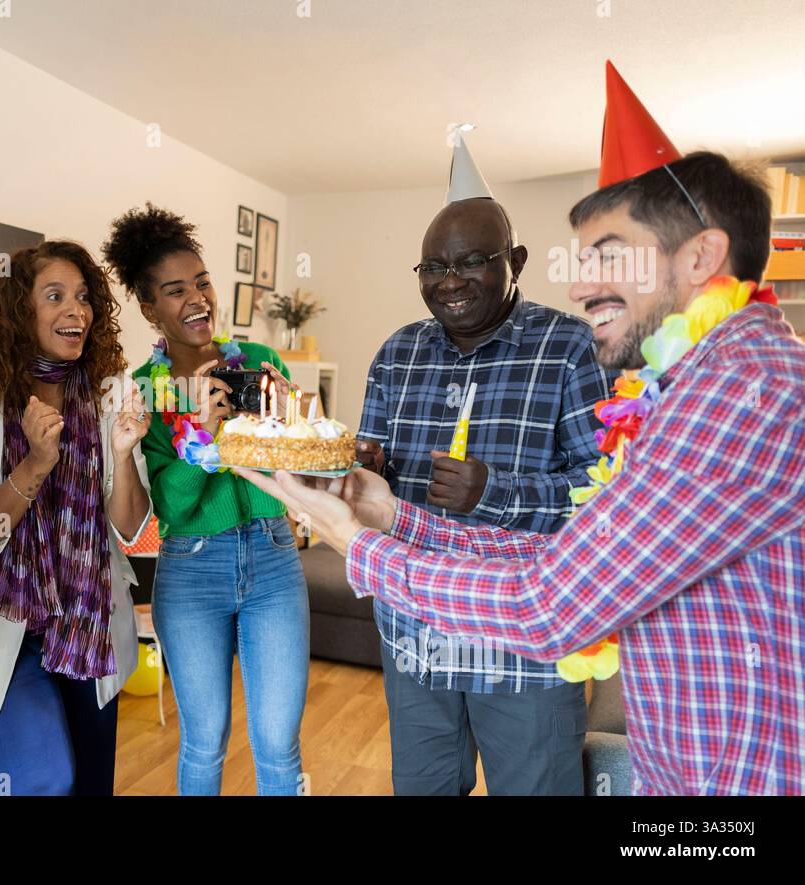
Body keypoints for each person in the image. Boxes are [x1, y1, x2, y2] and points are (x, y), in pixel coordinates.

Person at [239, 64, 804, 796]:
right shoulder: (704, 384)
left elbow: (550, 600)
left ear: (700, 256)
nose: (579, 285)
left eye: (607, 255)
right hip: (459, 664)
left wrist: (360, 541)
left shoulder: (740, 396)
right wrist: (387, 508)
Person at [354, 132, 608, 795]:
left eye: (472, 260)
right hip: (415, 632)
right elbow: (367, 478)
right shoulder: (397, 353)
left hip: (524, 642)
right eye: (433, 266)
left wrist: (495, 492)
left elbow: (604, 492)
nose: (450, 280)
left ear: (516, 259)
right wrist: (356, 471)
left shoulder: (570, 347)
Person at [102, 203, 309, 796]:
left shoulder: (261, 363)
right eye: (174, 290)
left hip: (273, 559)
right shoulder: (143, 389)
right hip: (192, 569)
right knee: (204, 738)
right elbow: (170, 507)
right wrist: (201, 434)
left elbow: (288, 467)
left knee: (278, 742)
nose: (197, 298)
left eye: (202, 282)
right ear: (149, 308)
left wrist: (289, 423)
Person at [0, 240, 150, 796]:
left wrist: (122, 455)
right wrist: (35, 463)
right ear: (19, 311)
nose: (75, 310)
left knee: (91, 783)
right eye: (54, 296)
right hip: (6, 629)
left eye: (83, 297)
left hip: (88, 622)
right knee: (40, 781)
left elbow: (131, 528)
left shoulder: (110, 391)